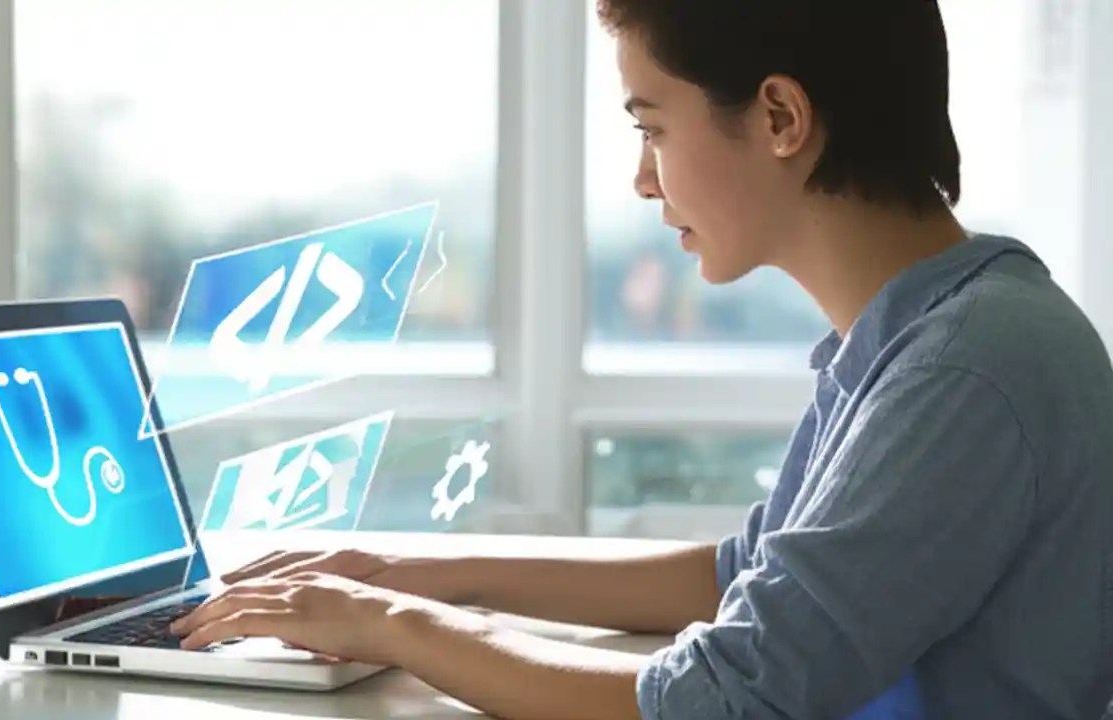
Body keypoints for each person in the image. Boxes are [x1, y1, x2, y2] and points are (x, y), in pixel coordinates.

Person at [170, 1, 1113, 717]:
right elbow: (741, 576)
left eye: (652, 126)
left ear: (781, 117)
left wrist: (393, 628)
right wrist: (416, 569)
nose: (642, 177)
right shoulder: (920, 336)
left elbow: (732, 695)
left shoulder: (963, 371)